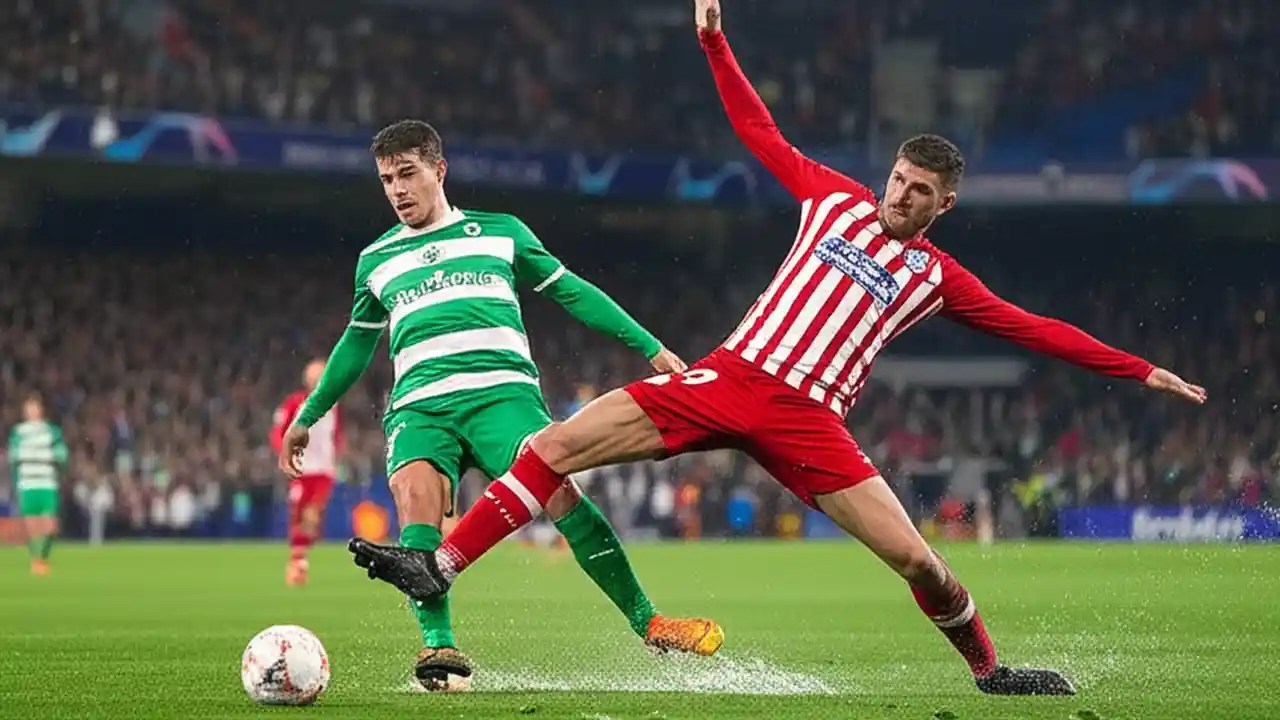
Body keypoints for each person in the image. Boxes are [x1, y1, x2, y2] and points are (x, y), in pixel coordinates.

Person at [348, 2, 1208, 696]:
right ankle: (441, 564)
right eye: (897, 180)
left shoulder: (940, 278)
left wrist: (1138, 368)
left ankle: (990, 671)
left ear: (944, 203)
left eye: (918, 192)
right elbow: (762, 134)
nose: (898, 196)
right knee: (551, 446)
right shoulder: (831, 196)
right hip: (728, 377)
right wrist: (718, 44)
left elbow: (1037, 329)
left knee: (919, 560)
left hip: (810, 420)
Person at [278, 119, 722, 691]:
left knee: (559, 486)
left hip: (503, 397)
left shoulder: (502, 233)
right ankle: (438, 651)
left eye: (407, 174)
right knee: (417, 496)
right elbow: (354, 348)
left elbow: (573, 291)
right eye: (387, 179)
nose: (397, 190)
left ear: (439, 170)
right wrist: (308, 416)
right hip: (421, 407)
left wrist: (652, 348)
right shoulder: (375, 260)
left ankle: (651, 622)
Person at [270, 359, 344, 586]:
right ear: (307, 379)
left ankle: (300, 561)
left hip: (323, 471)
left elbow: (337, 434)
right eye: (315, 376)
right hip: (301, 470)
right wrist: (284, 453)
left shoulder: (333, 405)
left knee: (312, 514)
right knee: (298, 514)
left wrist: (337, 453)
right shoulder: (294, 404)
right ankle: (298, 561)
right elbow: (278, 431)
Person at [8, 395, 68, 576]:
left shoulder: (52, 431)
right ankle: (37, 560)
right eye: (29, 408)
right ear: (25, 412)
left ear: (41, 410)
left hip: (47, 482)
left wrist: (58, 460)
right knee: (32, 526)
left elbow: (62, 454)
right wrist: (16, 481)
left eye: (35, 407)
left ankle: (43, 556)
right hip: (28, 483)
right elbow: (13, 457)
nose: (32, 411)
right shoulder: (18, 432)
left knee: (51, 526)